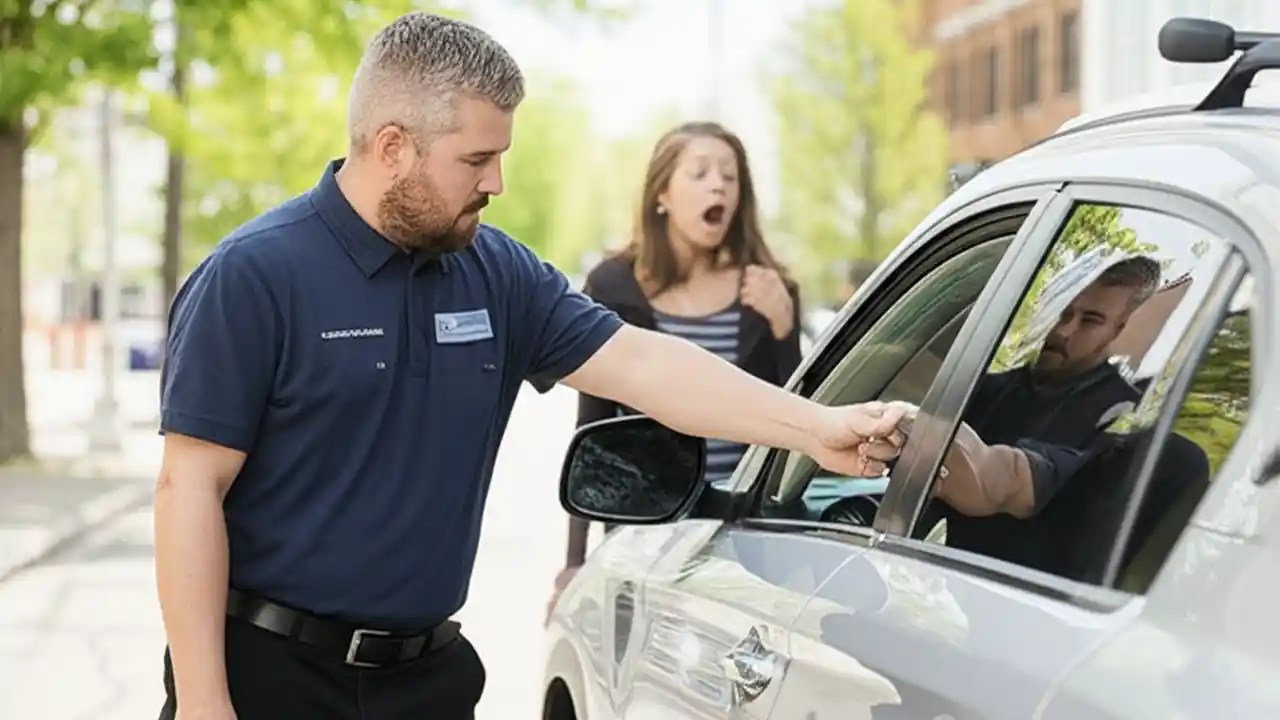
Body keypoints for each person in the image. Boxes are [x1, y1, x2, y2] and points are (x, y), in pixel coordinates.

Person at [153, 13, 907, 720]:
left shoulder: (496, 273)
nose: (496, 183)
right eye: (476, 159)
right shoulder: (254, 277)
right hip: (267, 679)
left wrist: (815, 426)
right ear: (392, 147)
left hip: (426, 683)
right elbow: (189, 489)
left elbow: (645, 366)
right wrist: (202, 702)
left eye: (501, 157)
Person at [559, 121, 801, 577]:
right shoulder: (613, 286)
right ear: (662, 195)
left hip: (745, 536)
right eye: (701, 173)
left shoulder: (768, 288)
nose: (718, 185)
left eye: (730, 177)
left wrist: (785, 328)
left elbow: (797, 412)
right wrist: (574, 562)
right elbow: (592, 425)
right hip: (643, 534)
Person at [911, 256, 1166, 574]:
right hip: (944, 587)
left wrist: (998, 473)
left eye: (1090, 320)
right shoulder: (988, 390)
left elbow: (1043, 476)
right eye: (1065, 312)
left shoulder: (1128, 416)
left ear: (1119, 330)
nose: (1063, 330)